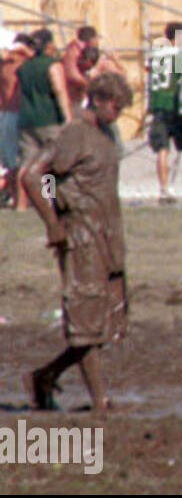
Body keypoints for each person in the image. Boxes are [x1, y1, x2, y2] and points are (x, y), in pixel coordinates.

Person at [22, 73, 133, 413]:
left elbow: (54, 178)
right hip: (82, 236)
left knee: (108, 322)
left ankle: (45, 376)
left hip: (108, 237)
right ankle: (100, 401)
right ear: (98, 100)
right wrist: (54, 221)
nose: (118, 113)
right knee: (86, 321)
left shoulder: (102, 136)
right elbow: (33, 174)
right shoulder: (74, 135)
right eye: (116, 106)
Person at [16, 30, 74, 212]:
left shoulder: (23, 68)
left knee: (26, 164)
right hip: (49, 119)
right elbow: (59, 91)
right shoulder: (52, 65)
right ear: (49, 45)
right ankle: (52, 199)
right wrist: (68, 118)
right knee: (52, 163)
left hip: (26, 120)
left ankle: (21, 204)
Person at [147, 22, 182, 204]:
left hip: (158, 104)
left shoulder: (155, 55)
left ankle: (164, 189)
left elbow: (149, 72)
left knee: (162, 149)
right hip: (175, 104)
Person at [1, 32, 34, 209]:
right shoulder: (28, 63)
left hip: (8, 114)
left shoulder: (7, 63)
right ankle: (44, 197)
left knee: (13, 163)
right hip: (22, 115)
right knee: (39, 162)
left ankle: (17, 199)